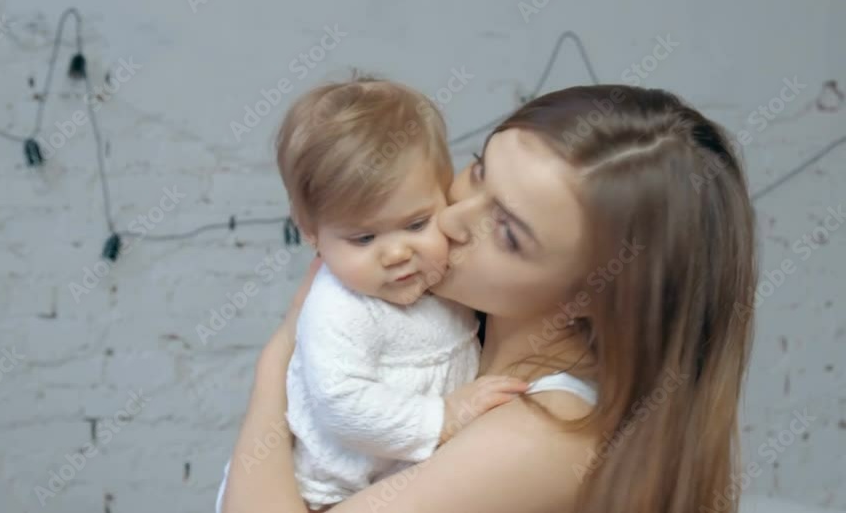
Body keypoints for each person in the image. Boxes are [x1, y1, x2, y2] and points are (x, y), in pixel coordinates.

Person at [220, 85, 758, 513]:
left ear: (599, 292)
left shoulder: (545, 437)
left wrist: (275, 367)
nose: (451, 219)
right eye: (478, 171)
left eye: (507, 233)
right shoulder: (447, 334)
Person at [215, 76, 529, 512]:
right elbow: (344, 404)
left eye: (418, 224)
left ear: (442, 195)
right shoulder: (339, 308)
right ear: (312, 235)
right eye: (363, 239)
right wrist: (443, 418)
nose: (398, 253)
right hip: (319, 491)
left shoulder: (445, 279)